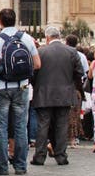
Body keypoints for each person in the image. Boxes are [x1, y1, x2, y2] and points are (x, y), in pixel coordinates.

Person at [0, 8, 40, 175]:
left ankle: (1, 166)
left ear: (0, 21)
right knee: (20, 127)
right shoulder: (27, 38)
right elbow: (37, 64)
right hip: (22, 86)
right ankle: (20, 165)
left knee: (0, 128)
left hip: (0, 87)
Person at [30, 25, 84, 167]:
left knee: (43, 125)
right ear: (59, 36)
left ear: (47, 37)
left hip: (43, 93)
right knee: (61, 125)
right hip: (65, 93)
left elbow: (32, 73)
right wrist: (70, 83)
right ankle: (61, 155)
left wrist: (38, 85)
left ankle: (39, 156)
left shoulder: (40, 51)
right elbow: (79, 72)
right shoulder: (72, 51)